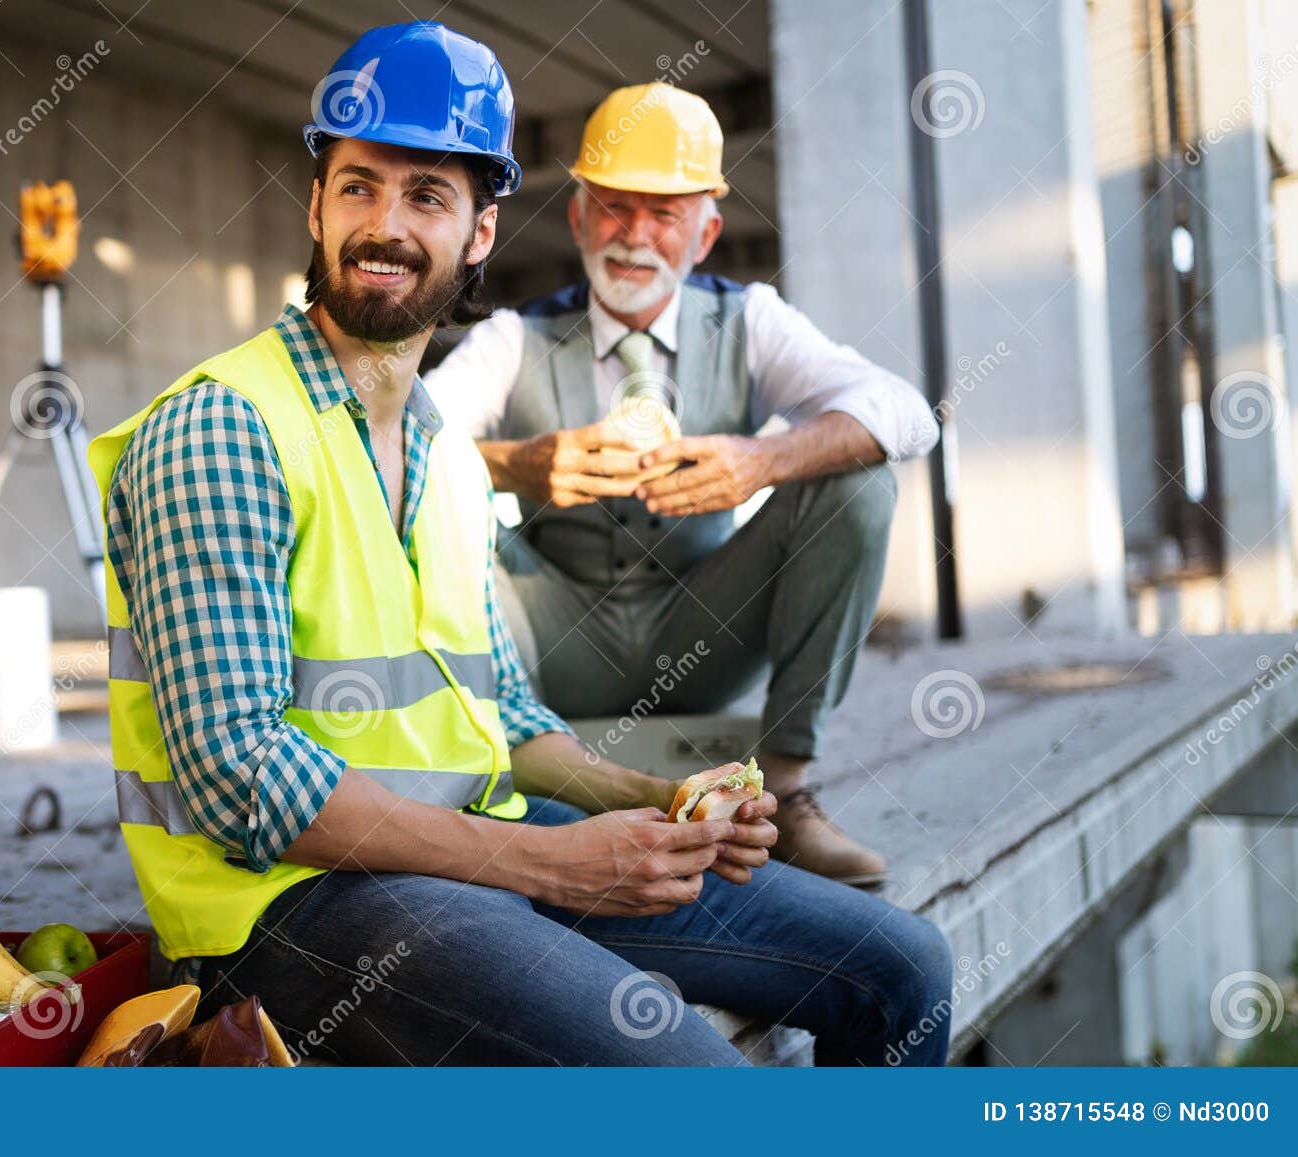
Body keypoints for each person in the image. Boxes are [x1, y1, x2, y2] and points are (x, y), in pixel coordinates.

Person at [89, 23, 952, 1066]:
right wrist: (545, 863)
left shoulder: (445, 450)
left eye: (427, 196)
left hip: (470, 844)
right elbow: (239, 774)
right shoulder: (225, 426)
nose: (384, 226)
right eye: (358, 187)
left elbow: (498, 708)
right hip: (287, 906)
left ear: (480, 233)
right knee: (698, 1076)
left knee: (902, 971)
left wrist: (652, 805)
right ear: (314, 208)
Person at [426, 82, 942, 887]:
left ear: (704, 232)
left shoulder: (750, 320)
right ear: (578, 216)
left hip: (703, 622)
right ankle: (492, 793)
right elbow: (394, 442)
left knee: (857, 482)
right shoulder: (513, 338)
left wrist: (760, 460)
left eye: (665, 213)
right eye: (615, 208)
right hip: (549, 633)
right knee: (437, 507)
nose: (636, 236)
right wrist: (514, 463)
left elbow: (907, 413)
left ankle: (788, 792)